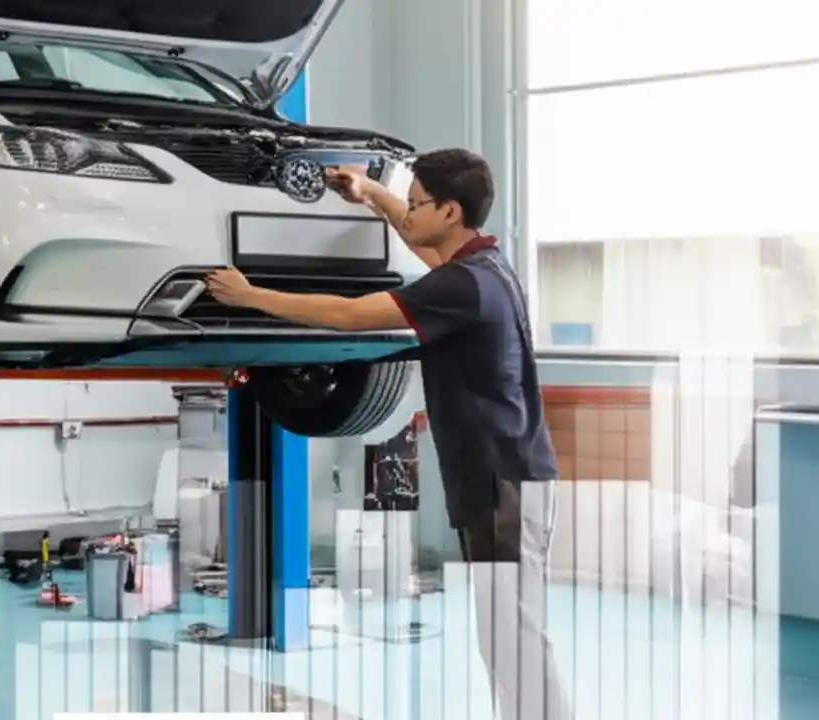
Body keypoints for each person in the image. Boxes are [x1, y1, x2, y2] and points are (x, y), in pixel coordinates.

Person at [206, 149, 573, 720]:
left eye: (419, 202)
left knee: (512, 637)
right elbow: (423, 243)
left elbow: (351, 315)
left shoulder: (463, 285)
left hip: (502, 485)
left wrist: (250, 295)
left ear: (450, 211)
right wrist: (372, 193)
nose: (411, 211)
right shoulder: (485, 267)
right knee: (505, 633)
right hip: (509, 478)